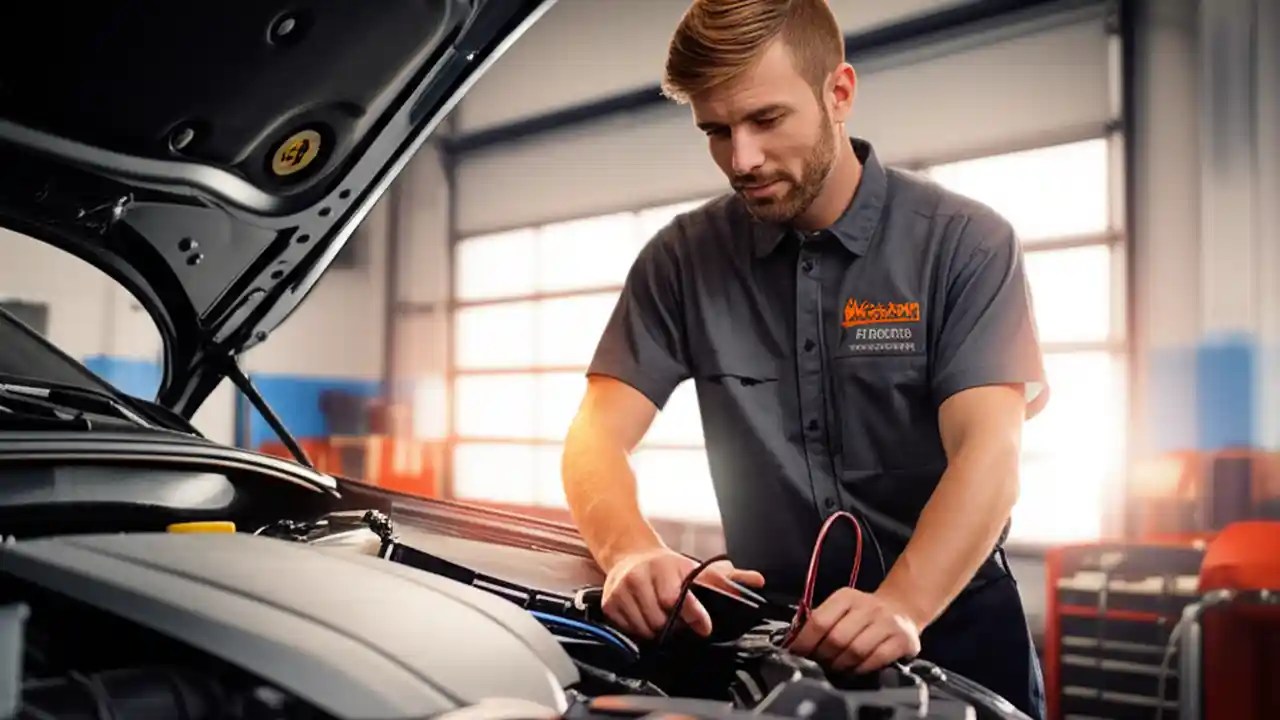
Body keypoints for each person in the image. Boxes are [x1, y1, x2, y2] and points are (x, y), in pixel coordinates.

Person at [560, 0, 1049, 717]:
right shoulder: (680, 261)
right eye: (716, 131)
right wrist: (630, 550)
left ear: (838, 93)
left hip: (955, 632)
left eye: (766, 120)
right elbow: (594, 436)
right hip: (783, 641)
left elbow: (990, 453)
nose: (742, 160)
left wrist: (903, 603)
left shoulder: (965, 245)